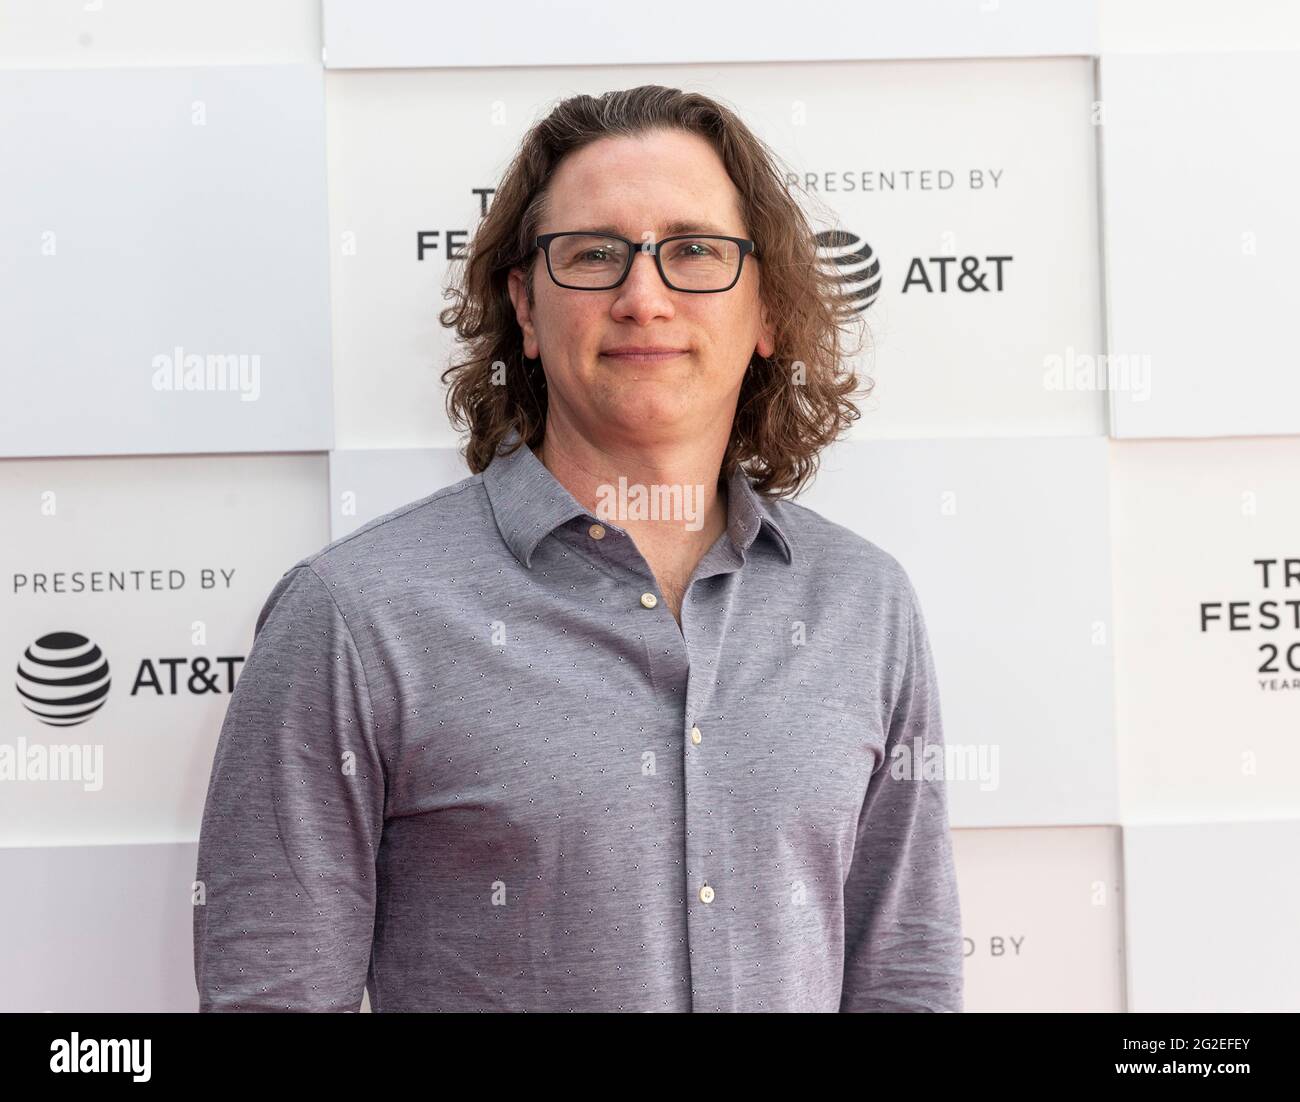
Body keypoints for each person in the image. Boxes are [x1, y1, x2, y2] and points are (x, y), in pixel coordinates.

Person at [193, 84, 963, 1012]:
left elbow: (904, 977)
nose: (645, 297)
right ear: (523, 305)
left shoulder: (863, 605)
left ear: (767, 311)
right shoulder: (355, 618)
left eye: (694, 252)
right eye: (594, 255)